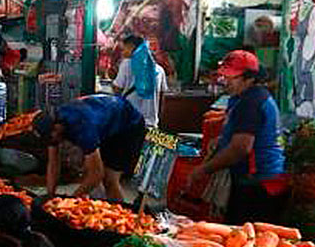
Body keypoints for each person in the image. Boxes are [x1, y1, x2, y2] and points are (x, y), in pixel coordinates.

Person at [188, 50, 285, 224]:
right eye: (224, 76)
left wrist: (204, 169)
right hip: (252, 178)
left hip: (259, 183)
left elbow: (240, 149)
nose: (225, 81)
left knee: (243, 237)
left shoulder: (251, 103)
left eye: (231, 77)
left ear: (249, 78)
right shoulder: (244, 96)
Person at [33, 94, 147, 200]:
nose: (51, 142)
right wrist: (49, 197)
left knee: (109, 179)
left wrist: (69, 202)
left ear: (57, 127)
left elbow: (97, 175)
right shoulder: (52, 128)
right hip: (107, 122)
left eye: (51, 138)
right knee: (89, 170)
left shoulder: (83, 127)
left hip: (129, 126)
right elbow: (53, 163)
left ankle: (120, 217)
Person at [112, 34, 167, 128]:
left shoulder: (126, 64)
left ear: (132, 48)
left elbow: (117, 89)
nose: (123, 53)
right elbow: (162, 98)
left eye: (124, 49)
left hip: (131, 122)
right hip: (151, 124)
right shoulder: (159, 70)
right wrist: (156, 119)